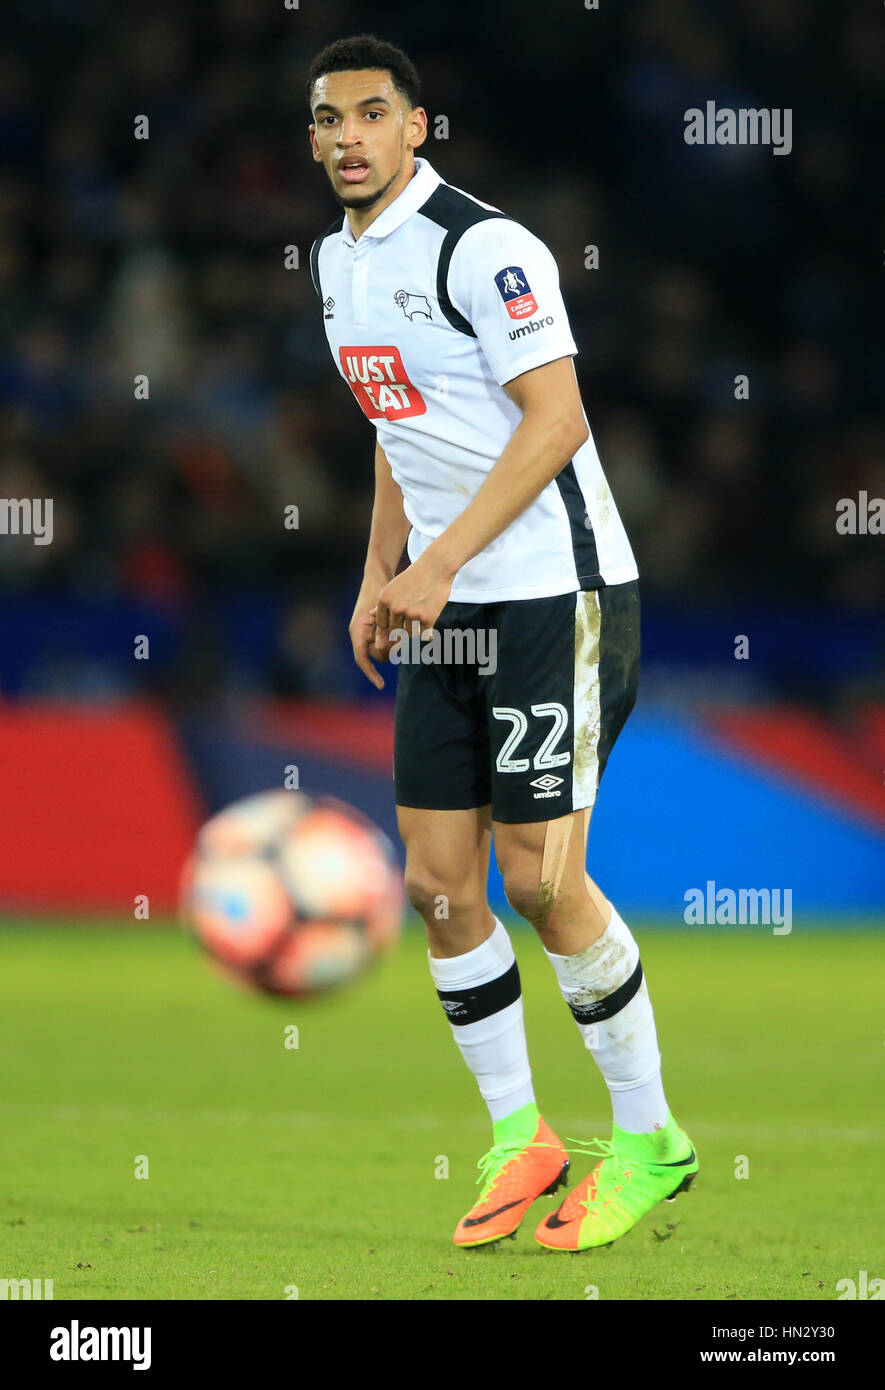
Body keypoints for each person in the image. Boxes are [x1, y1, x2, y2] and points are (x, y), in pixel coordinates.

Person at [307, 32, 697, 1252]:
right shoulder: (334, 260)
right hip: (443, 610)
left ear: (417, 127)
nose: (348, 138)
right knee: (435, 884)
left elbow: (557, 417)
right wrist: (383, 565)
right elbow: (395, 418)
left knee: (539, 879)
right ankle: (521, 1135)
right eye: (327, 121)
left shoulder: (488, 247)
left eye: (372, 114)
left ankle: (650, 1141)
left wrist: (435, 561)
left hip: (553, 596)